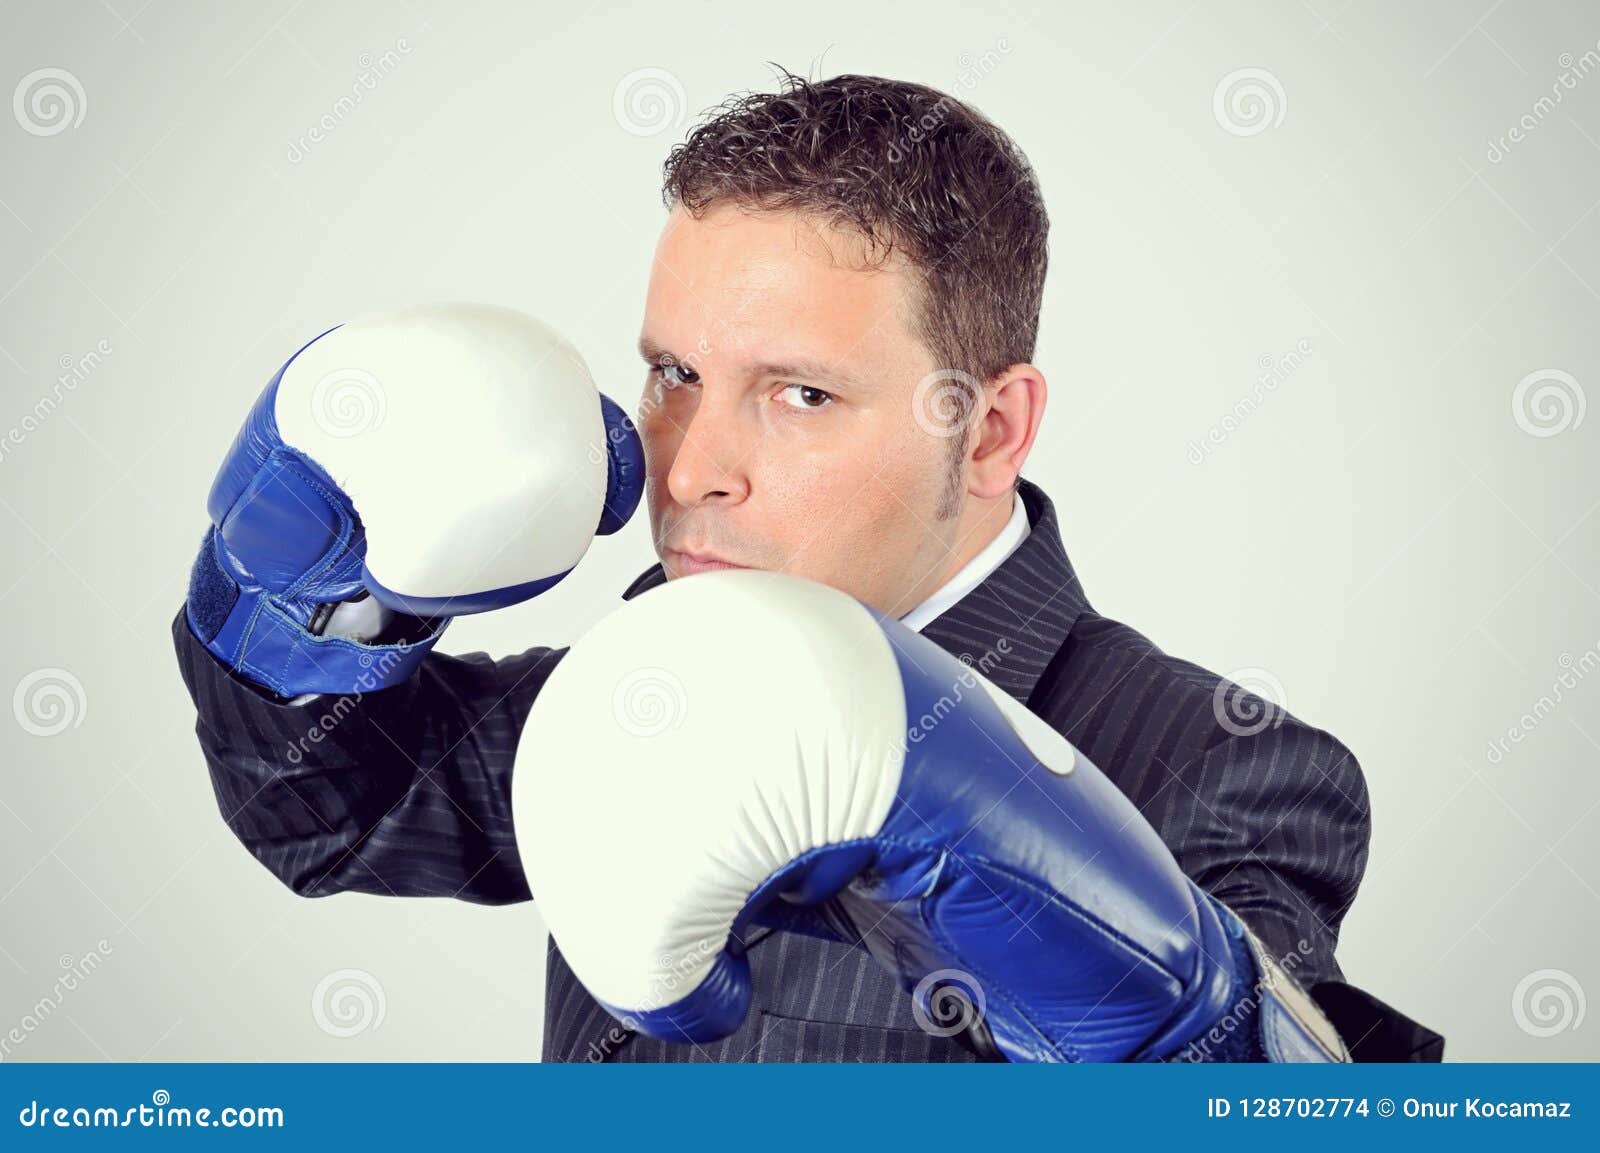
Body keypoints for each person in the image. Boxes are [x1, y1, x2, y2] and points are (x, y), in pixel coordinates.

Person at [172, 72, 1441, 1062]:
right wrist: (293, 590)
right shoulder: (640, 679)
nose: (686, 471)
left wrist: (1184, 1026)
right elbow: (331, 815)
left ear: (989, 430)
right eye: (673, 375)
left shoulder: (1218, 762)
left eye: (799, 392)